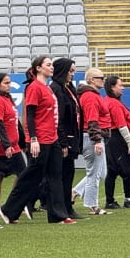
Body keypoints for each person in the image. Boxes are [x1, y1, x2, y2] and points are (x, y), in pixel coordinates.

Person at [0, 56, 72, 224]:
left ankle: (57, 214)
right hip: (40, 139)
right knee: (32, 176)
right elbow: (30, 115)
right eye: (48, 65)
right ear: (38, 68)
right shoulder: (34, 87)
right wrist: (32, 138)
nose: (51, 67)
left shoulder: (47, 88)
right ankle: (9, 210)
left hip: (52, 138)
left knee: (55, 176)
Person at [72, 68, 111, 215]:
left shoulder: (92, 95)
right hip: (92, 137)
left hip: (94, 136)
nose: (103, 79)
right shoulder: (90, 96)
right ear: (91, 80)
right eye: (100, 77)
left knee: (101, 173)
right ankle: (92, 205)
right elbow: (92, 119)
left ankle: (75, 192)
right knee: (94, 173)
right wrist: (97, 140)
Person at [0, 73, 24, 217]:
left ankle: (11, 204)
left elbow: (15, 122)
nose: (9, 85)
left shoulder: (7, 98)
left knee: (23, 174)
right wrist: (6, 144)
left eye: (9, 83)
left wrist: (21, 141)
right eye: (6, 83)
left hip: (14, 145)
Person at [50, 58, 82, 220]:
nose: (72, 75)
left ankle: (67, 207)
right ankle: (60, 208)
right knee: (60, 174)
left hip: (71, 136)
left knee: (68, 173)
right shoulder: (56, 89)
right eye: (70, 71)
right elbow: (58, 118)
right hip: (63, 138)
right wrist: (63, 141)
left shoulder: (68, 88)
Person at [103, 76, 130, 209]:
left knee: (113, 169)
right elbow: (122, 125)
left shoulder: (111, 101)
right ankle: (126, 198)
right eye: (120, 85)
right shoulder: (114, 104)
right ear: (112, 87)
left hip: (114, 138)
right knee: (125, 168)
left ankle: (113, 200)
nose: (123, 87)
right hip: (118, 139)